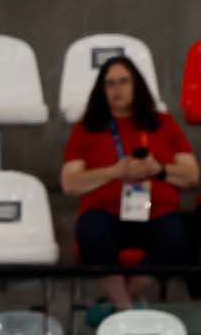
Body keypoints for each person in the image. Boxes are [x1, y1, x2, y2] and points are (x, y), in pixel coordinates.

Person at [61, 55, 197, 312]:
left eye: (124, 81)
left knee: (178, 239)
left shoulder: (163, 123)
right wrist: (115, 171)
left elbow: (191, 174)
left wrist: (159, 170)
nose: (117, 89)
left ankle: (118, 305)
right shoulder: (87, 128)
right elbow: (69, 182)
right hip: (105, 214)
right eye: (110, 84)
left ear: (137, 85)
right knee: (91, 233)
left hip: (155, 213)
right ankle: (127, 310)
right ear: (102, 91)